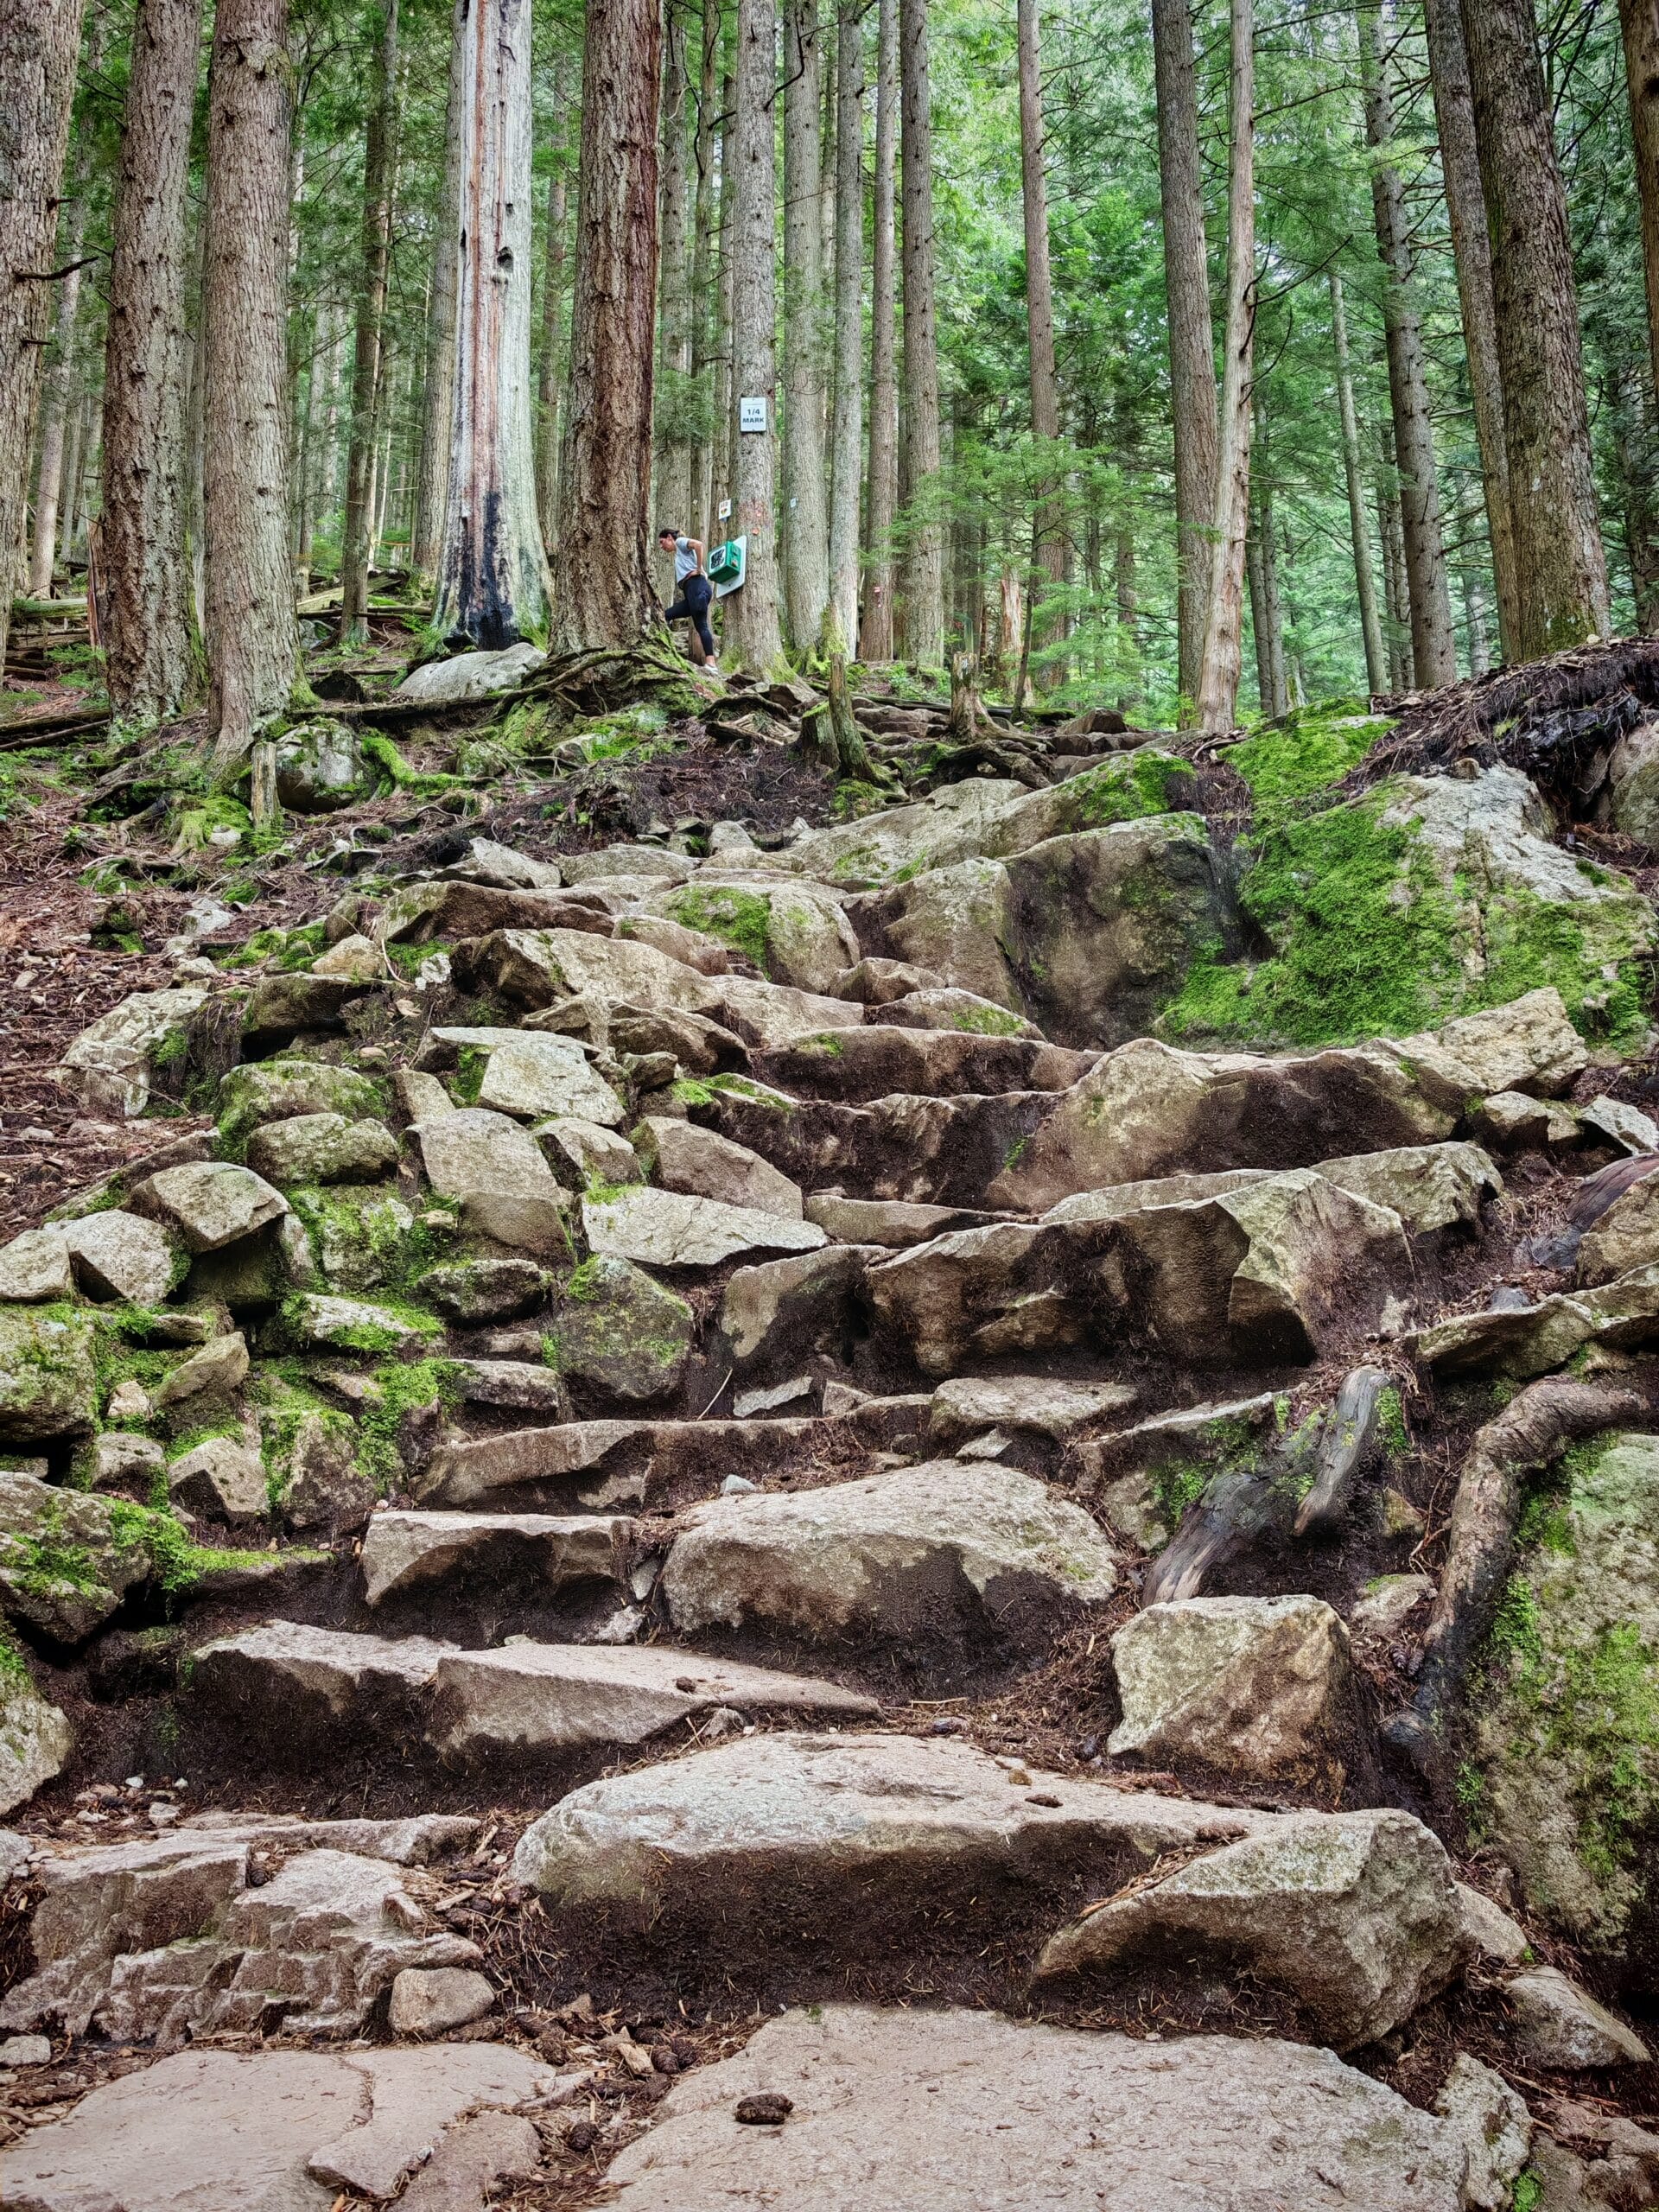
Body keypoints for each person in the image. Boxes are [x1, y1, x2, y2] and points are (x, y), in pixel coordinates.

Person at [658, 525, 716, 666]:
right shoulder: (679, 552)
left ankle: (711, 663)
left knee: (700, 625)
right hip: (694, 593)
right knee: (667, 615)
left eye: (662, 542)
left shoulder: (680, 542)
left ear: (669, 538)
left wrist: (698, 569)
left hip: (697, 587)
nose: (662, 546)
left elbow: (699, 544)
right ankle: (711, 664)